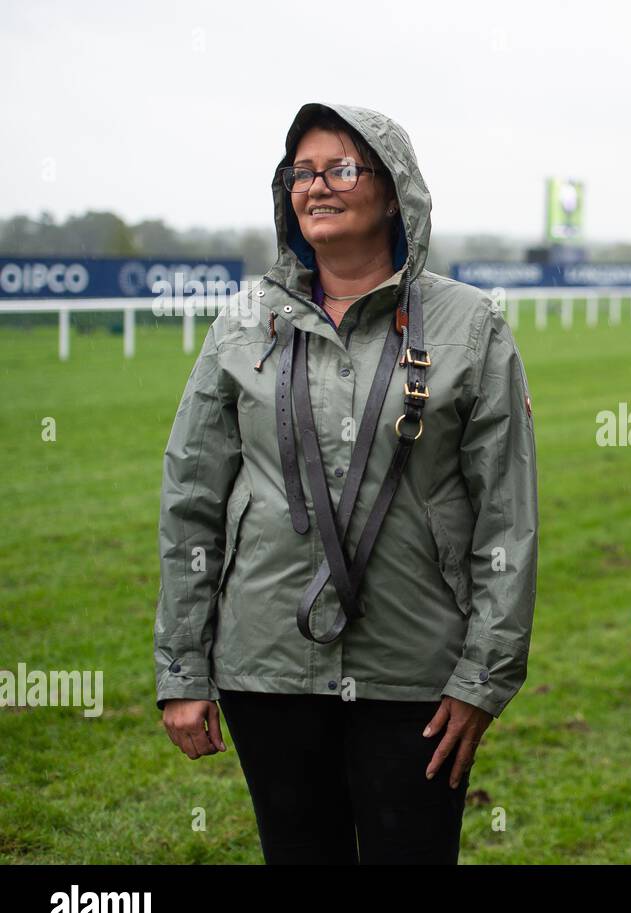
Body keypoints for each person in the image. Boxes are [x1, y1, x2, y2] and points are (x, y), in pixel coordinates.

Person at [153, 103, 538, 864]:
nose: (317, 186)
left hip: (417, 674)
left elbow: (507, 515)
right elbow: (191, 499)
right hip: (265, 666)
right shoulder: (241, 323)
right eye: (302, 171)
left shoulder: (472, 325)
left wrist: (483, 676)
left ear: (393, 191)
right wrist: (182, 667)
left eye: (341, 167)